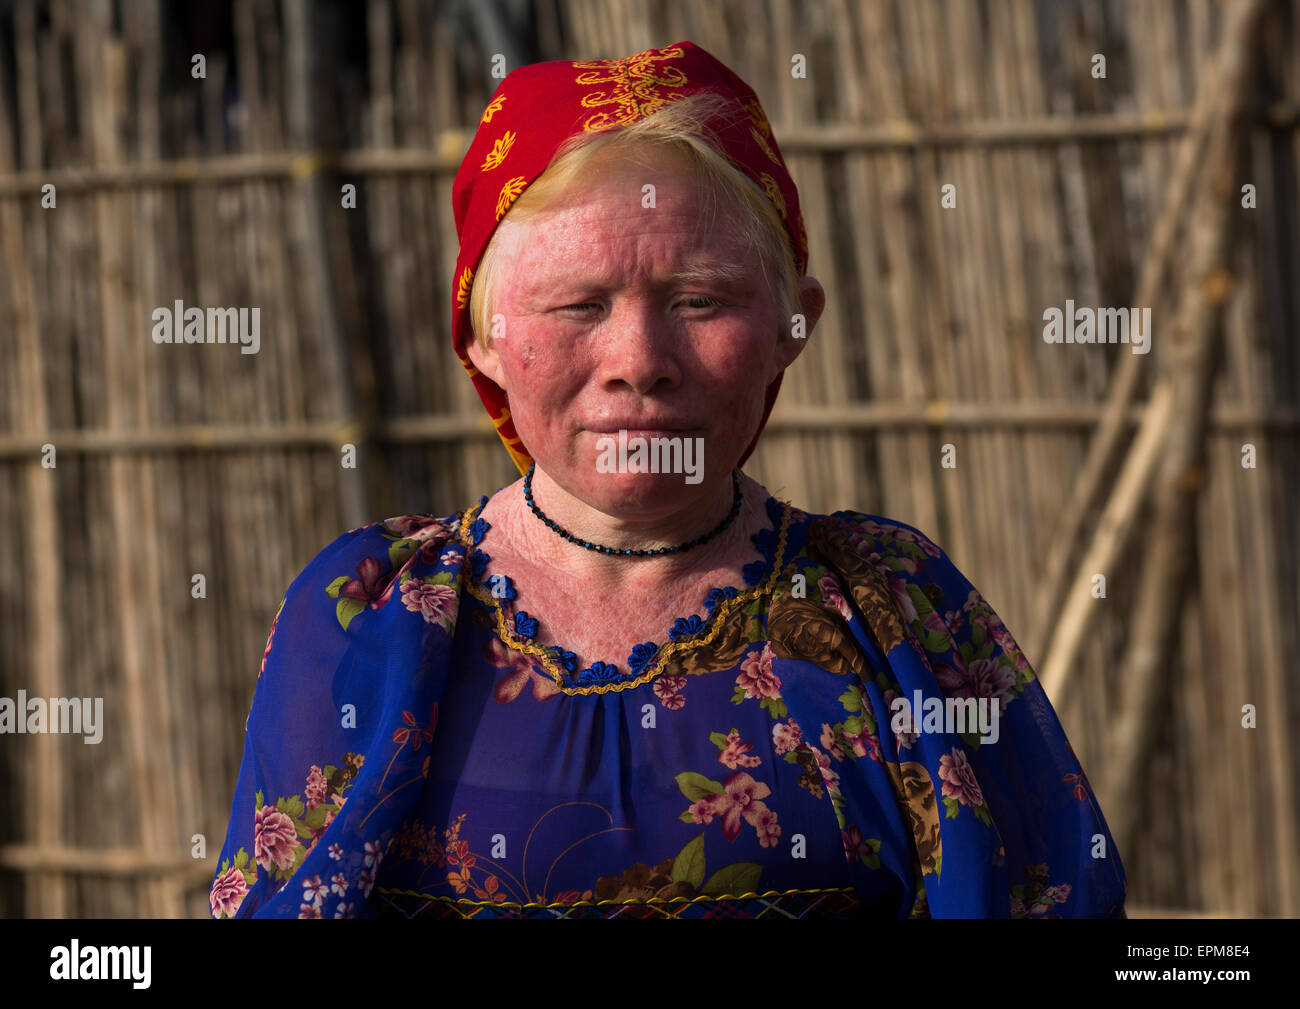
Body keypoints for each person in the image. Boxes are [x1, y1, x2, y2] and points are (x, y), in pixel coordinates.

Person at [210, 40, 1126, 919]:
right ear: (482, 337)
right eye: (578, 305)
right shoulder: (371, 616)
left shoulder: (892, 612)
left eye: (701, 300)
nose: (638, 361)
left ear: (791, 325)